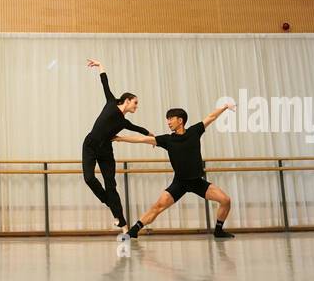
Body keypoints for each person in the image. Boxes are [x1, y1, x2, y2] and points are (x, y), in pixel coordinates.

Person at [114, 103, 236, 239]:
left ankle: (218, 231)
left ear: (180, 120)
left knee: (226, 200)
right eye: (167, 119)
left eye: (171, 118)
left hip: (197, 182)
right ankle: (134, 231)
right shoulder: (168, 140)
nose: (168, 122)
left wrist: (225, 106)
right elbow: (142, 139)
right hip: (180, 183)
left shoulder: (194, 132)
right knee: (158, 206)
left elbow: (211, 117)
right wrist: (120, 139)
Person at [81, 59, 148, 228]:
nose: (136, 106)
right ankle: (109, 203)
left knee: (111, 185)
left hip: (106, 151)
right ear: (127, 100)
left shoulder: (124, 122)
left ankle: (122, 222)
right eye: (135, 103)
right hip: (90, 145)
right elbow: (105, 82)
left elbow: (139, 129)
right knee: (89, 178)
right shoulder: (111, 102)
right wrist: (100, 65)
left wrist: (152, 136)